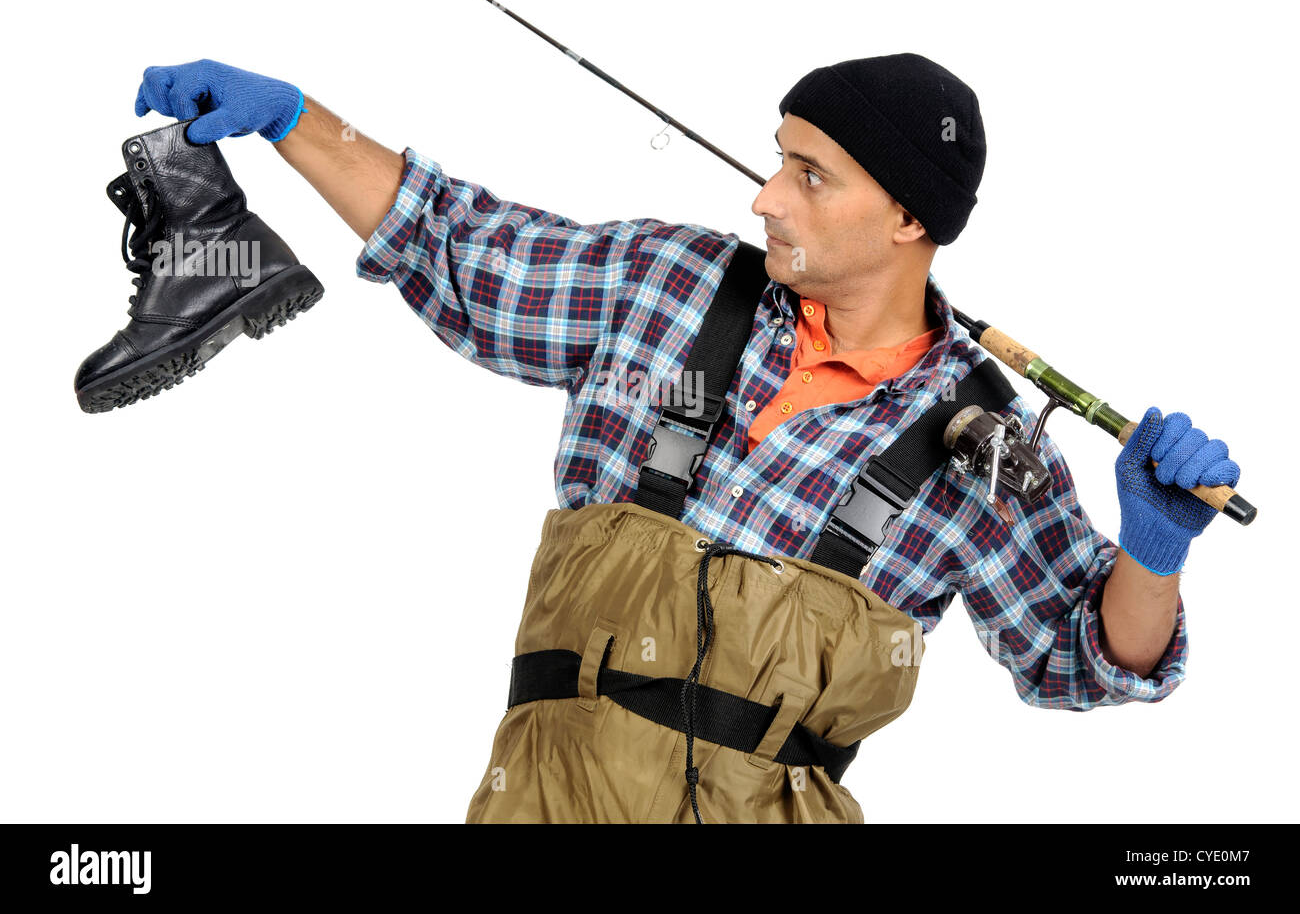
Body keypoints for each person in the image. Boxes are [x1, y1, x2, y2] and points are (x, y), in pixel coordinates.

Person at [131, 55, 1241, 821]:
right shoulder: (665, 285)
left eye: (809, 175)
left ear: (908, 219)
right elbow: (456, 240)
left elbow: (1083, 658)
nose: (765, 198)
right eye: (776, 159)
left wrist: (1153, 547)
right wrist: (292, 117)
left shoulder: (984, 445)